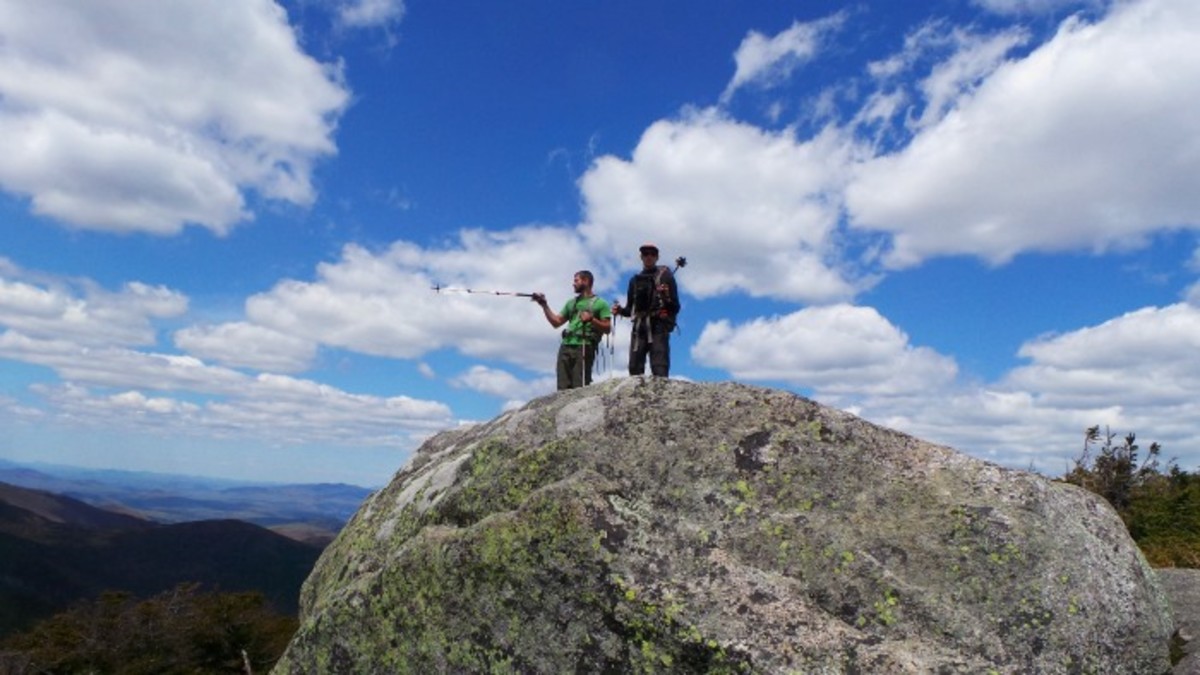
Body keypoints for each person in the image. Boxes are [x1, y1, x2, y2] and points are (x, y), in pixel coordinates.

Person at [532, 270, 612, 390]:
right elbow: (556, 322)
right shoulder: (571, 303)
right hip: (566, 346)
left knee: (579, 387)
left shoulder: (601, 304)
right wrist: (544, 305)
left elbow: (607, 328)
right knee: (562, 388)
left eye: (576, 280)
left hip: (584, 346)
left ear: (586, 281)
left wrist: (592, 320)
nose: (573, 284)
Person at [611, 243, 680, 377]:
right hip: (639, 327)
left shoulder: (666, 276)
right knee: (634, 367)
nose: (649, 257)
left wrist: (666, 297)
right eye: (645, 254)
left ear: (657, 257)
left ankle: (661, 396)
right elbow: (630, 309)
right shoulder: (634, 281)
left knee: (659, 366)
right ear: (641, 257)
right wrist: (620, 311)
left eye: (652, 254)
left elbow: (675, 306)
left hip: (659, 326)